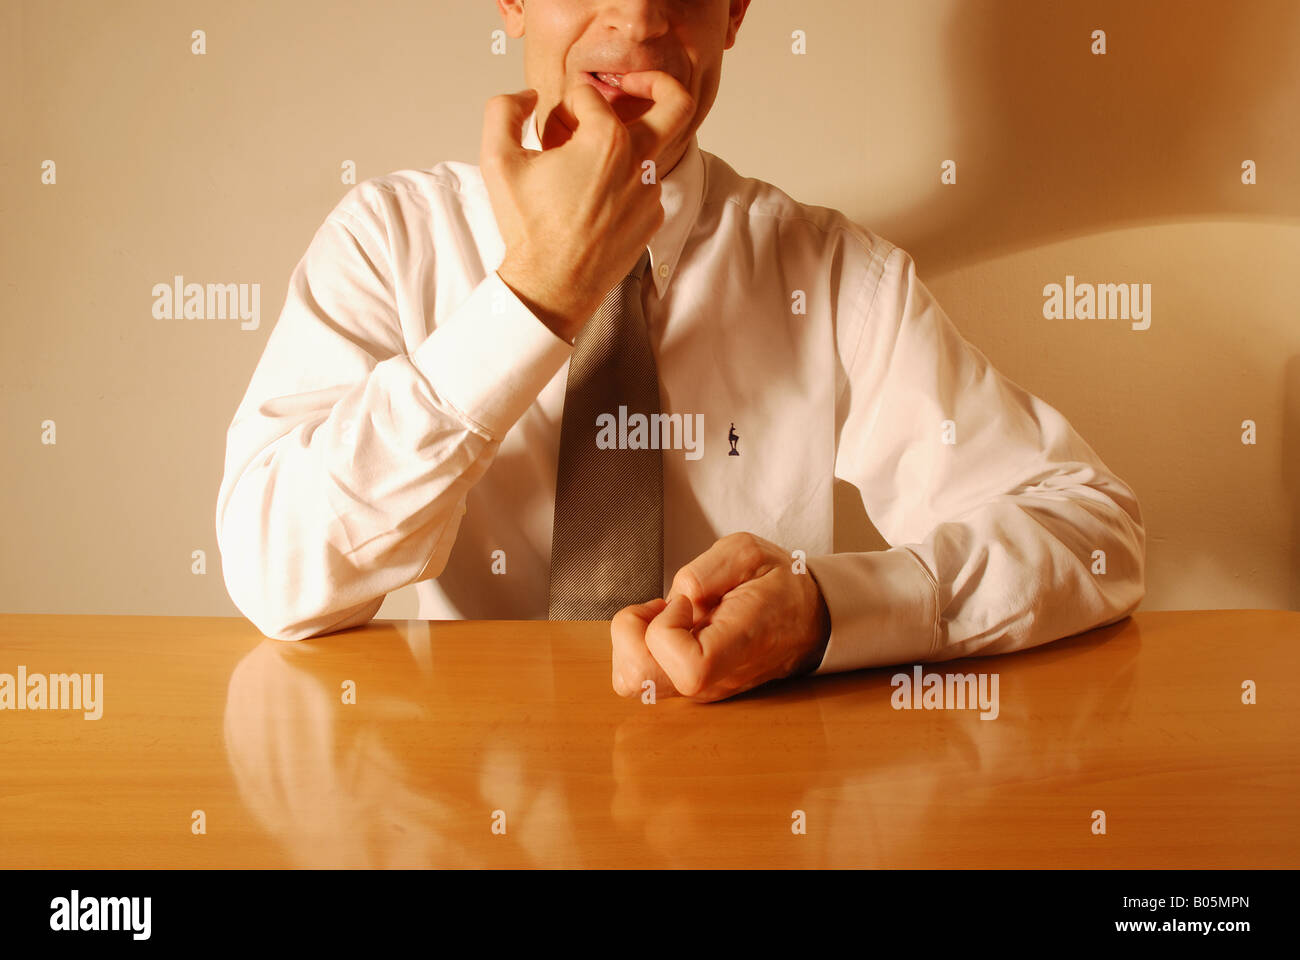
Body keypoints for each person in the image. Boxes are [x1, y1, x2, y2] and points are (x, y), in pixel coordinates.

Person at [215, 0, 1145, 703]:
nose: (643, 19)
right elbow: (276, 578)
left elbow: (1093, 534)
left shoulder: (831, 274)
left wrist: (827, 609)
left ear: (737, 8)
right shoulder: (388, 241)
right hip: (464, 814)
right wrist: (541, 291)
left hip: (744, 809)